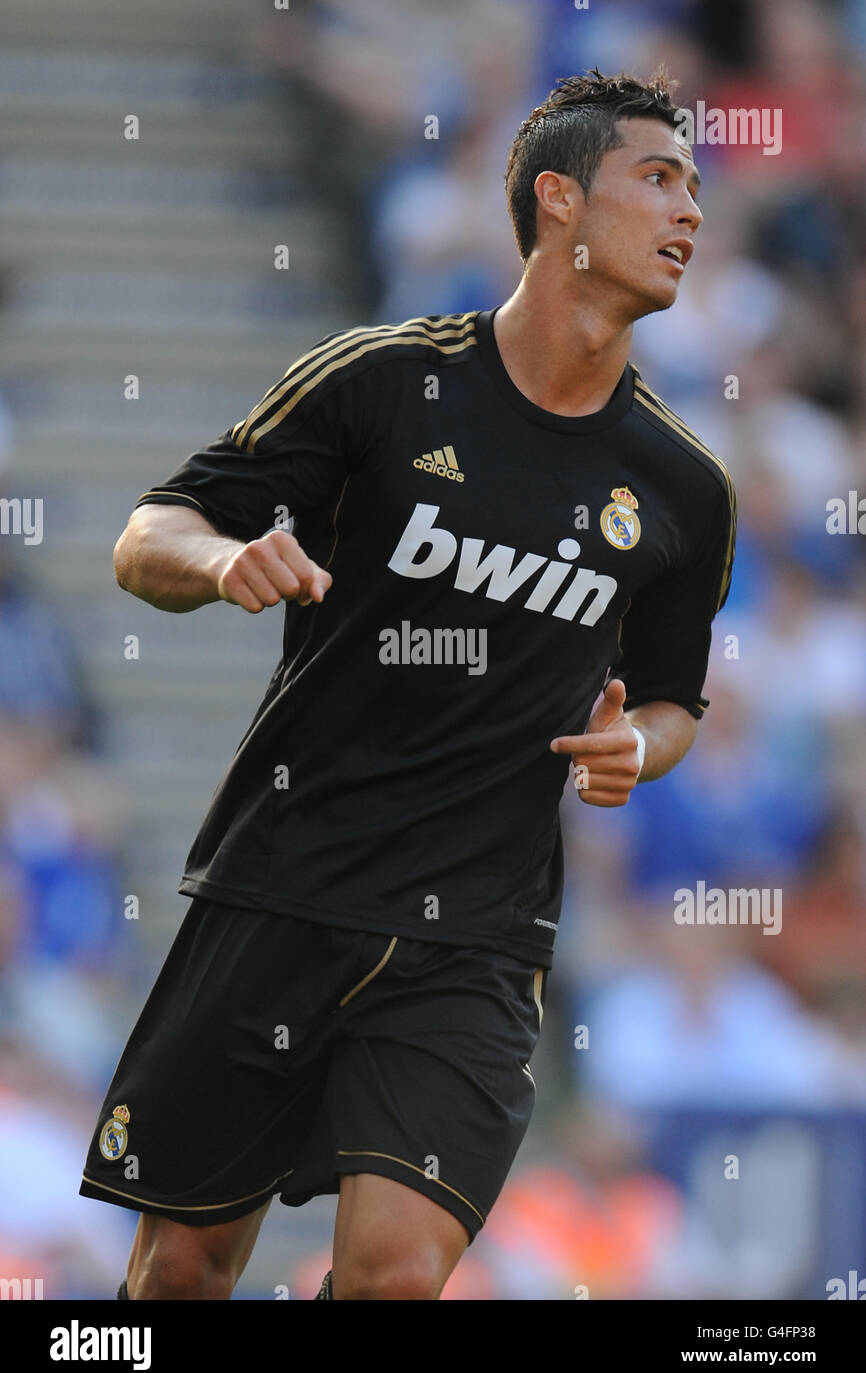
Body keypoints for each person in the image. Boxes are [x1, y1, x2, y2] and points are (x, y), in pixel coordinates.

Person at [79, 67, 736, 1301]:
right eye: (657, 178)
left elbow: (673, 700)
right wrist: (224, 560)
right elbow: (144, 535)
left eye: (695, 187)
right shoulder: (380, 382)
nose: (689, 211)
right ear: (558, 202)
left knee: (393, 1275)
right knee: (180, 1268)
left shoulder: (682, 490)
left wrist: (640, 747)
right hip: (284, 884)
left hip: (474, 937)